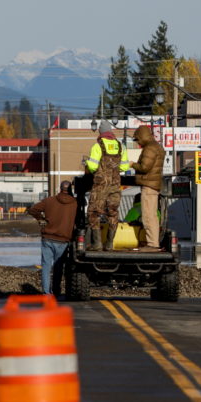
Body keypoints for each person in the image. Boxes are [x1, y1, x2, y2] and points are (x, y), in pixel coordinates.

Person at [84, 120, 128, 251]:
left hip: (101, 186)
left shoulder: (98, 146)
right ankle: (109, 244)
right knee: (113, 213)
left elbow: (92, 166)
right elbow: (124, 167)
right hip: (115, 186)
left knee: (93, 213)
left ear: (101, 132)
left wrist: (89, 166)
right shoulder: (121, 146)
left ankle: (97, 244)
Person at [28, 181, 78, 296]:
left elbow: (32, 210)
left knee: (46, 267)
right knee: (58, 267)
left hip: (48, 238)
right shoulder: (75, 203)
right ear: (70, 189)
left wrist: (41, 219)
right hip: (63, 240)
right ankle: (56, 291)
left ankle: (46, 292)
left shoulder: (49, 201)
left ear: (60, 188)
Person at [130, 124, 164, 251]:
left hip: (148, 186)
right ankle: (153, 243)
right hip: (153, 185)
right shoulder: (157, 147)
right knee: (152, 216)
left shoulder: (149, 148)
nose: (138, 143)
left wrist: (132, 164)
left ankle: (152, 244)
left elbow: (144, 167)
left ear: (143, 136)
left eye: (138, 139)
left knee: (148, 216)